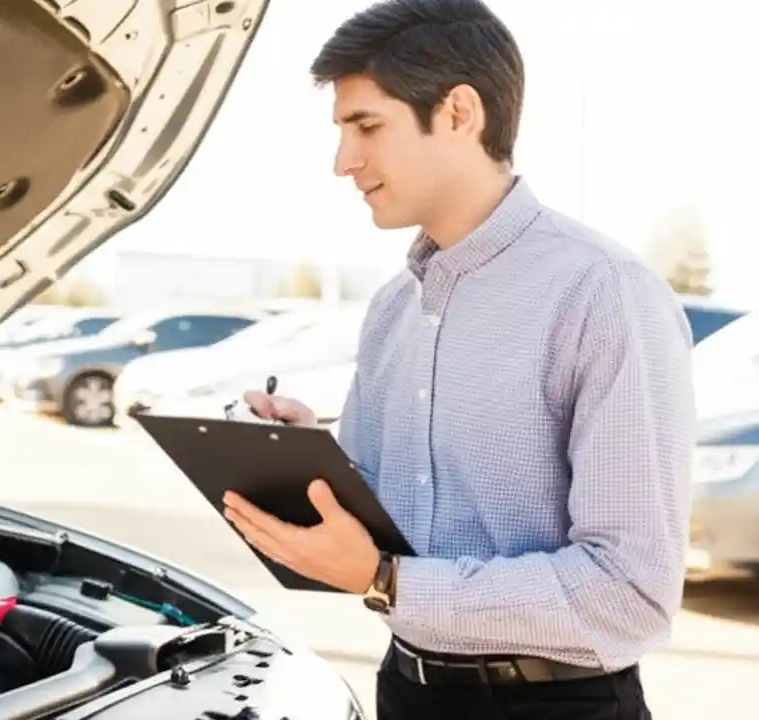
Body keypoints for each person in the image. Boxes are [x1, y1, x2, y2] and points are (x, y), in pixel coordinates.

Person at [220, 1, 696, 718]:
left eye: (366, 126)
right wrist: (308, 459)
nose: (344, 162)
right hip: (405, 691)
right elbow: (385, 527)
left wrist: (388, 583)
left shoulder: (603, 294)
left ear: (459, 113)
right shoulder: (392, 310)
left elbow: (630, 594)